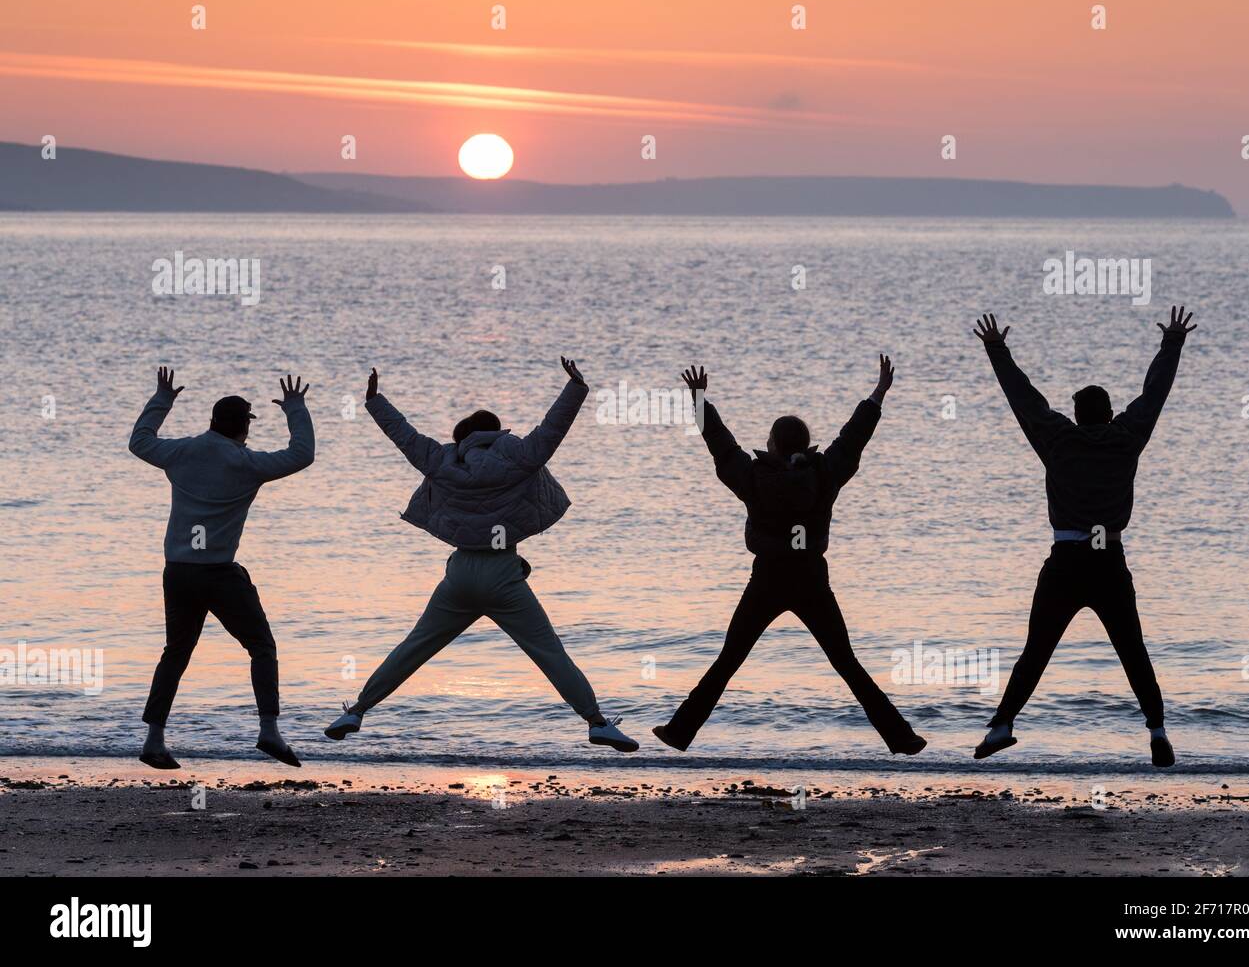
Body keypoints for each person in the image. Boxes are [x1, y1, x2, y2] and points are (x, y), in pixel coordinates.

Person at [324, 359, 637, 752]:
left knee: (413, 647)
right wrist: (575, 387)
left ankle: (357, 710)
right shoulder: (521, 457)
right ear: (496, 432)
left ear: (463, 438)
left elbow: (404, 437)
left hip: (460, 575)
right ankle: (596, 722)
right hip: (503, 572)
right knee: (549, 652)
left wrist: (375, 401)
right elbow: (553, 428)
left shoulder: (442, 460)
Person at [652, 358, 927, 755]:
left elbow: (722, 445)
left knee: (730, 659)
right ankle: (901, 737)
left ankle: (680, 731)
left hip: (768, 578)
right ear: (804, 444)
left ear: (774, 446)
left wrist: (699, 400)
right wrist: (879, 392)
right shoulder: (825, 472)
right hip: (812, 578)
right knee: (846, 663)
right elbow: (854, 438)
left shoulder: (755, 477)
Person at [971, 307, 1198, 767]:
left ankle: (1002, 725)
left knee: (1036, 650)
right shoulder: (1126, 437)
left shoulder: (1058, 440)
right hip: (1109, 559)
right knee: (1133, 650)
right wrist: (1172, 342)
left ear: (1074, 416)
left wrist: (997, 349)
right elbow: (1154, 395)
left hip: (1066, 561)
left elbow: (1024, 398)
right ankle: (1157, 730)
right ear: (1110, 414)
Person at [130, 366, 315, 769]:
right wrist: (295, 409)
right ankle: (268, 731)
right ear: (242, 427)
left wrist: (163, 399)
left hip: (178, 571)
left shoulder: (182, 452)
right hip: (217, 573)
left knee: (176, 653)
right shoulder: (247, 463)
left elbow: (140, 442)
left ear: (213, 422)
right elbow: (303, 454)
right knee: (261, 647)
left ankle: (153, 740)